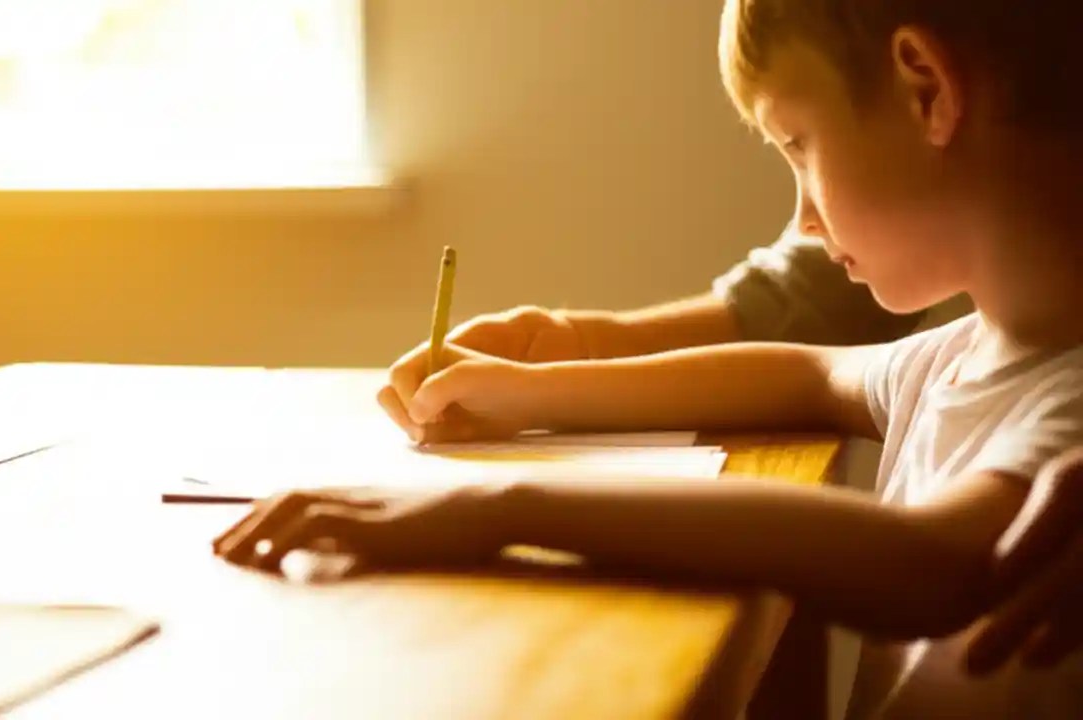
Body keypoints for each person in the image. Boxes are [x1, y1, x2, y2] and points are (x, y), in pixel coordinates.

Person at [216, 0, 1083, 715]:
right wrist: (531, 390)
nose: (803, 222)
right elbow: (808, 373)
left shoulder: (1069, 389)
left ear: (925, 90)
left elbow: (933, 562)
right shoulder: (971, 351)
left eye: (797, 145)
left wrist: (508, 507)